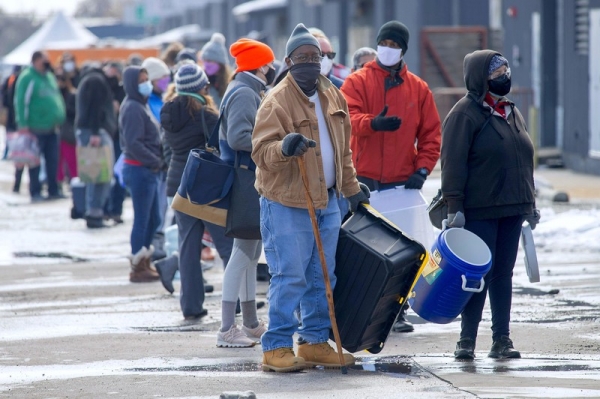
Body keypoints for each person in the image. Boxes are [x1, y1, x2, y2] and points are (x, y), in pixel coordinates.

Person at [252, 23, 369, 372]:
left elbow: (343, 150)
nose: (310, 62)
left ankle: (315, 341)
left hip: (328, 200)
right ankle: (275, 347)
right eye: (302, 57)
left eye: (315, 57)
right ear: (289, 61)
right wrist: (284, 147)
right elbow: (260, 152)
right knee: (290, 275)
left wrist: (351, 190)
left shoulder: (333, 94)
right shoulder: (277, 100)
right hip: (287, 201)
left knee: (323, 275)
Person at [340, 21, 441, 333]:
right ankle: (362, 309)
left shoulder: (419, 89)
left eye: (394, 45)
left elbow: (431, 135)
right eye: (384, 42)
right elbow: (346, 118)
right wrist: (374, 124)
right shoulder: (356, 81)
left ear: (403, 50)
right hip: (365, 183)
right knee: (364, 252)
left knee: (405, 253)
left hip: (402, 185)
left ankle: (398, 310)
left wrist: (423, 169)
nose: (388, 48)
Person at [442, 50, 540, 360]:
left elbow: (524, 159)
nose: (504, 77)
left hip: (511, 207)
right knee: (477, 277)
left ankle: (502, 340)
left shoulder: (510, 110)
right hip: (479, 210)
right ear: (479, 78)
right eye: (496, 73)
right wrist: (453, 206)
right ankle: (466, 340)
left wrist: (530, 203)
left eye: (506, 71)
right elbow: (452, 164)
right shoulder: (464, 114)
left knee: (503, 275)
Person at [158, 63, 233, 319]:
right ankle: (235, 301)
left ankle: (190, 307)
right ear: (201, 87)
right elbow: (224, 148)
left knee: (188, 247)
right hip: (205, 186)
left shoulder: (168, 112)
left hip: (179, 185)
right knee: (227, 246)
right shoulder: (206, 115)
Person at [216, 38, 276, 348]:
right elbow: (240, 138)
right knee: (242, 254)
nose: (272, 68)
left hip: (246, 178)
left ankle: (250, 322)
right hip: (245, 180)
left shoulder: (243, 88)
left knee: (251, 253)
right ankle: (227, 329)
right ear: (259, 65)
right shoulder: (244, 92)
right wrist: (271, 146)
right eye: (268, 62)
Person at [119, 65, 163, 283]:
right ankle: (138, 266)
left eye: (147, 78)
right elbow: (134, 143)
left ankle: (145, 260)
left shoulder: (140, 104)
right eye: (141, 80)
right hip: (140, 169)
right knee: (143, 220)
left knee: (154, 219)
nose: (146, 83)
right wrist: (155, 161)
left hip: (148, 170)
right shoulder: (133, 107)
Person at [14, 51, 66, 202]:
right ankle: (35, 191)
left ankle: (53, 189)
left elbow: (56, 97)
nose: (47, 63)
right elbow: (21, 101)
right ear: (36, 61)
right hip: (35, 127)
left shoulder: (49, 77)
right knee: (34, 161)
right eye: (44, 61)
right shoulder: (27, 77)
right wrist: (22, 123)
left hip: (52, 127)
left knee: (53, 160)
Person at [75, 65, 118, 228]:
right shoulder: (96, 81)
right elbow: (95, 107)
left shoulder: (89, 80)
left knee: (94, 174)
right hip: (95, 132)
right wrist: (95, 132)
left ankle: (93, 211)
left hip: (90, 131)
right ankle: (94, 213)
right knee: (99, 174)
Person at [141, 56, 172, 260]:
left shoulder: (162, 99)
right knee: (152, 209)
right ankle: (150, 248)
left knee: (163, 207)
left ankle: (157, 245)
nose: (166, 83)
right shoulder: (146, 103)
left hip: (162, 162)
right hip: (152, 163)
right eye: (162, 79)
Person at [103, 61, 127, 224]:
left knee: (118, 176)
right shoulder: (102, 90)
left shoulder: (123, 91)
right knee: (104, 175)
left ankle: (116, 210)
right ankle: (104, 209)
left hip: (119, 138)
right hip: (106, 137)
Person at [2, 65, 23, 192]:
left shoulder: (12, 80)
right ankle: (17, 184)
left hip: (14, 122)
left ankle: (17, 185)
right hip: (17, 123)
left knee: (19, 154)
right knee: (20, 154)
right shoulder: (14, 81)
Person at [56, 71, 78, 191]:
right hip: (57, 130)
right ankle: (58, 182)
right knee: (58, 160)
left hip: (69, 132)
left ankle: (74, 182)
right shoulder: (55, 94)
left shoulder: (72, 94)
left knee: (71, 159)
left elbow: (74, 113)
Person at [200, 33, 232, 108]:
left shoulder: (229, 83)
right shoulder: (201, 82)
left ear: (220, 63)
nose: (207, 64)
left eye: (210, 61)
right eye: (205, 60)